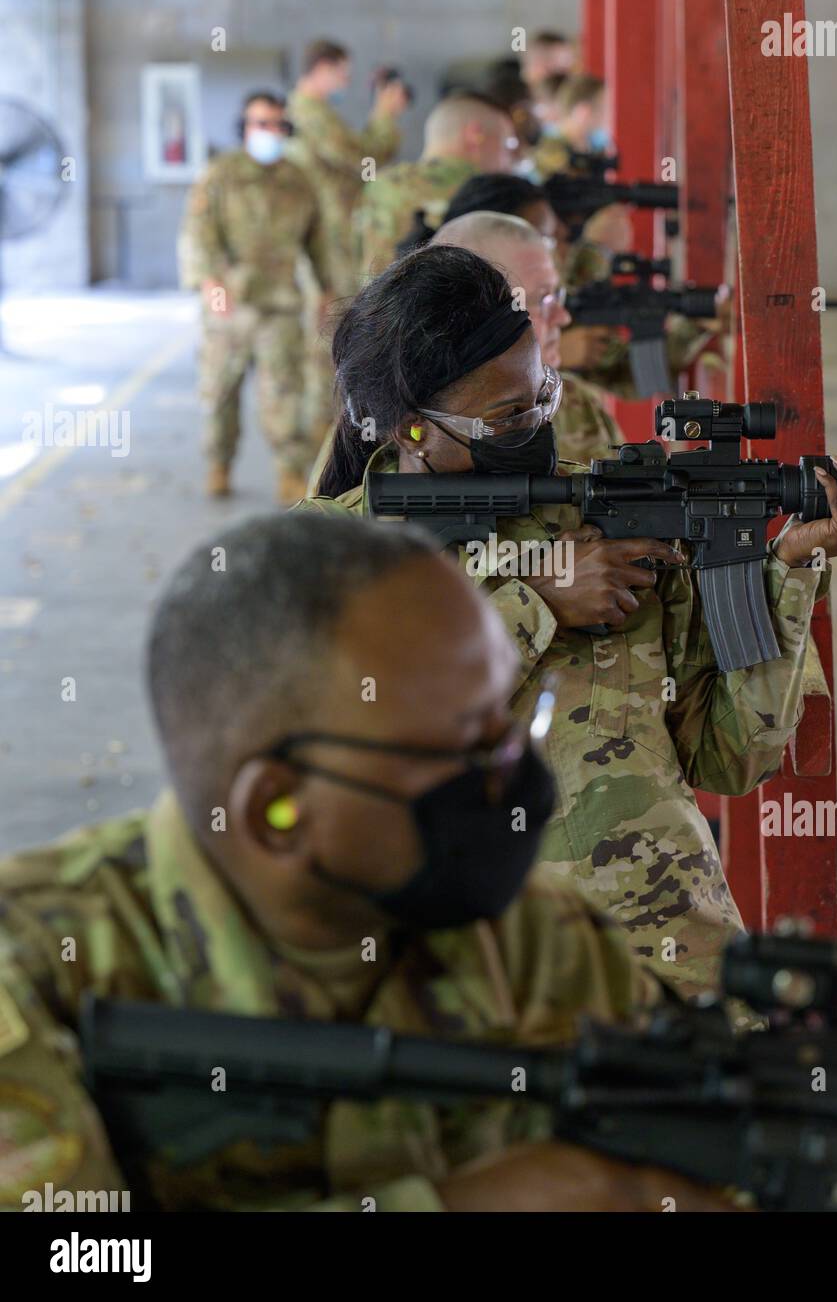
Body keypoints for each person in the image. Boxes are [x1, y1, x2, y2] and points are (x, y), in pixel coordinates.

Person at [0, 513, 732, 1213]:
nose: (515, 778)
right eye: (465, 752)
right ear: (276, 810)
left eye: (510, 726)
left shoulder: (540, 941)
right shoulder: (34, 971)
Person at [304, 246, 837, 997]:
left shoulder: (606, 513)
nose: (540, 423)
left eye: (544, 396)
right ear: (412, 431)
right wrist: (540, 603)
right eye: (509, 416)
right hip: (462, 979)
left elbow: (731, 757)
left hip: (665, 957)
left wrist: (792, 567)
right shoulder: (323, 554)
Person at [178, 91, 332, 504]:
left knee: (285, 393)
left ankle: (290, 472)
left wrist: (327, 290)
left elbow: (318, 242)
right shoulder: (220, 175)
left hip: (279, 305)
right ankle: (219, 464)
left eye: (278, 125)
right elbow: (199, 233)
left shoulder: (299, 181)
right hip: (228, 307)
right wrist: (210, 282)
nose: (270, 132)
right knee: (219, 393)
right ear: (244, 127)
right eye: (260, 123)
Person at [432, 209, 624, 465]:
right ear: (475, 317)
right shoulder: (432, 435)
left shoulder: (577, 404)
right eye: (542, 299)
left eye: (557, 295)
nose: (562, 317)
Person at [287, 40, 409, 439]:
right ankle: (316, 448)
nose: (346, 80)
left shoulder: (312, 113)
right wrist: (385, 113)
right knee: (326, 343)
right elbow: (365, 159)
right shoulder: (312, 113)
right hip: (329, 243)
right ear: (322, 67)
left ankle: (321, 441)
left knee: (330, 338)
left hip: (332, 240)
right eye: (342, 71)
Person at [352, 92, 518, 281]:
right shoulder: (488, 194)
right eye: (508, 144)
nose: (509, 161)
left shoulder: (381, 185)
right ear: (475, 135)